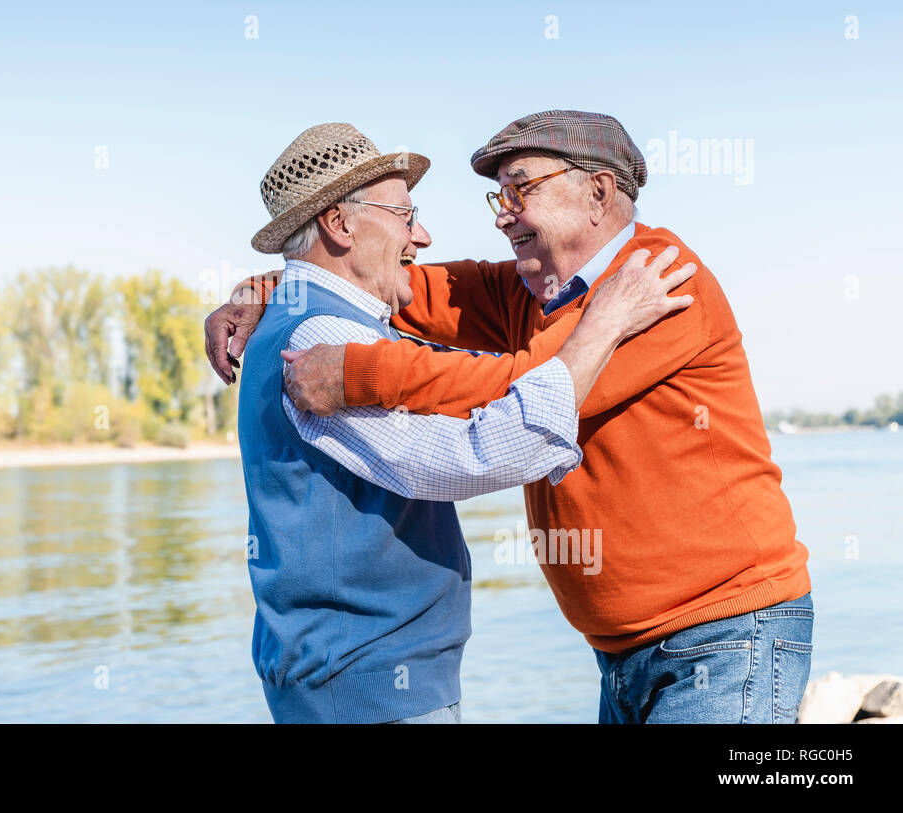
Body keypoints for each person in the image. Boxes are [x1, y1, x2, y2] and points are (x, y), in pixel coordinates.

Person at [209, 110, 813, 724]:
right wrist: (270, 290)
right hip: (627, 650)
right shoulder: (532, 288)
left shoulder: (654, 282)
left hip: (725, 630)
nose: (501, 213)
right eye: (498, 194)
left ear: (598, 193)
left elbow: (530, 387)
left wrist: (358, 375)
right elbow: (384, 278)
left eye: (521, 189)